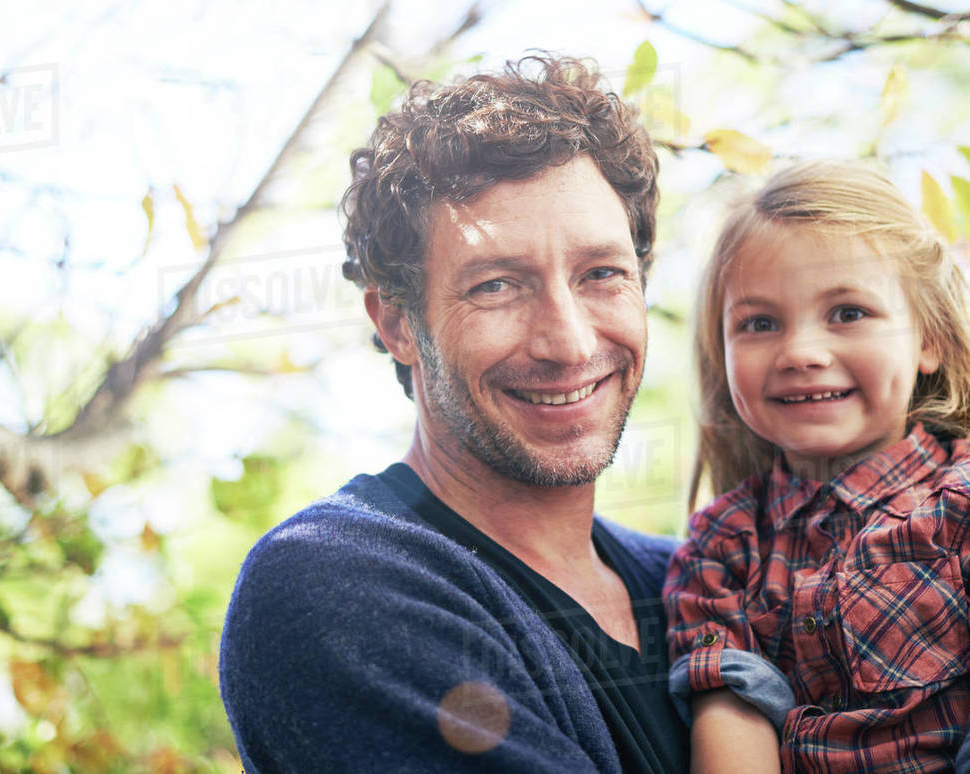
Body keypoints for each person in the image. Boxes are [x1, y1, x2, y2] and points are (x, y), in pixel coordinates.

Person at [218, 55, 690, 773]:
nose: (568, 341)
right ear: (399, 322)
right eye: (498, 285)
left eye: (602, 275)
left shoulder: (697, 582)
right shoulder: (335, 586)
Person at [663, 159, 970, 773]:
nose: (801, 352)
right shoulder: (721, 544)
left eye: (848, 312)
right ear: (722, 353)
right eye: (759, 323)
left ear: (928, 338)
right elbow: (730, 715)